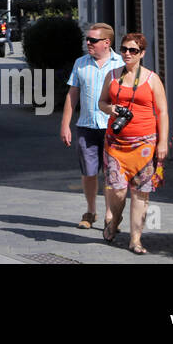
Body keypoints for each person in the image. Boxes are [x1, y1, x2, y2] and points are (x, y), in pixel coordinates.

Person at [99, 33, 169, 255]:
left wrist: (163, 142)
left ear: (142, 53)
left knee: (140, 193)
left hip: (145, 144)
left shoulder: (151, 79)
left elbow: (163, 112)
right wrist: (111, 109)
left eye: (133, 50)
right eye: (124, 49)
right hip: (115, 143)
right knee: (117, 190)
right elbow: (102, 102)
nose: (127, 54)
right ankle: (114, 220)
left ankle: (135, 240)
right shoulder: (111, 75)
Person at [60, 22, 124, 229]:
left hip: (112, 127)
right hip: (86, 126)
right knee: (88, 172)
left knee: (109, 172)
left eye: (93, 40)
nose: (88, 43)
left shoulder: (121, 64)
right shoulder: (81, 63)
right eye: (87, 39)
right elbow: (72, 95)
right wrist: (65, 125)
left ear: (106, 43)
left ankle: (108, 214)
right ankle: (91, 211)